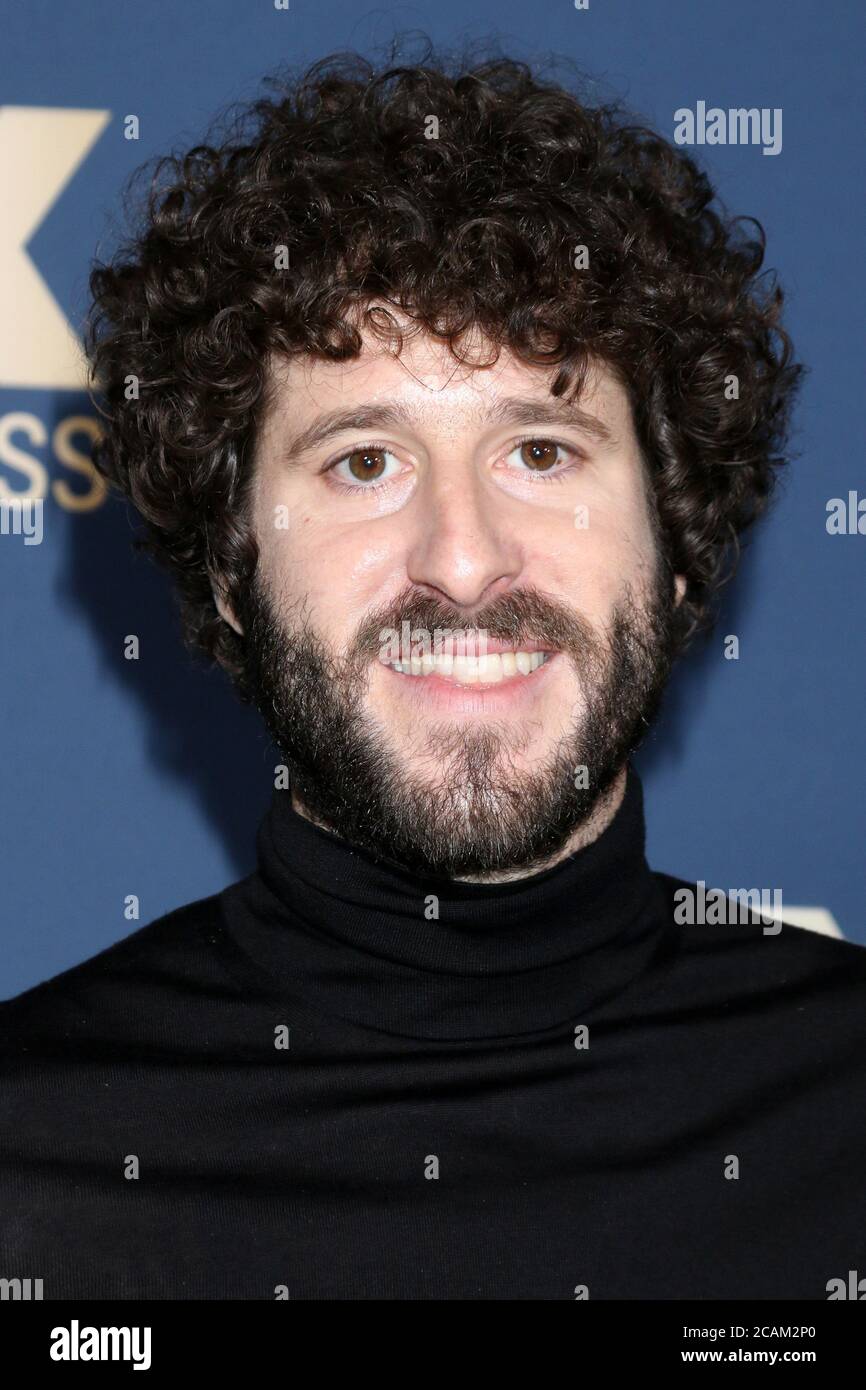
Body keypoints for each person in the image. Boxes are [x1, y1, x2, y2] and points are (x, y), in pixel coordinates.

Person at [2, 46, 864, 1301]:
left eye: (540, 450)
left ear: (676, 548)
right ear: (235, 573)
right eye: (362, 463)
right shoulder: (32, 1159)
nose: (462, 561)